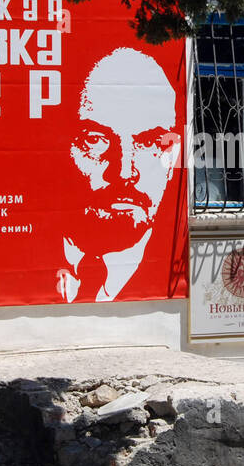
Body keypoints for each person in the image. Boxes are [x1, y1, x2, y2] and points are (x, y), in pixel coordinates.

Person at [55, 47, 183, 303]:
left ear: (172, 159)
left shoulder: (175, 266)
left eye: (149, 141)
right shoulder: (6, 258)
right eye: (95, 139)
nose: (125, 172)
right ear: (63, 146)